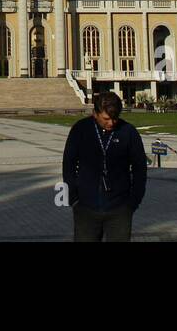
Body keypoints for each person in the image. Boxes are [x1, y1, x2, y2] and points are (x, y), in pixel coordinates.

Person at [62, 90, 147, 241]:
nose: (111, 123)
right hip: (86, 207)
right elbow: (68, 164)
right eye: (106, 119)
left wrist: (133, 202)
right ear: (95, 113)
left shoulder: (128, 132)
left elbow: (140, 168)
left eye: (115, 118)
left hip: (120, 208)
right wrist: (74, 198)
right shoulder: (81, 129)